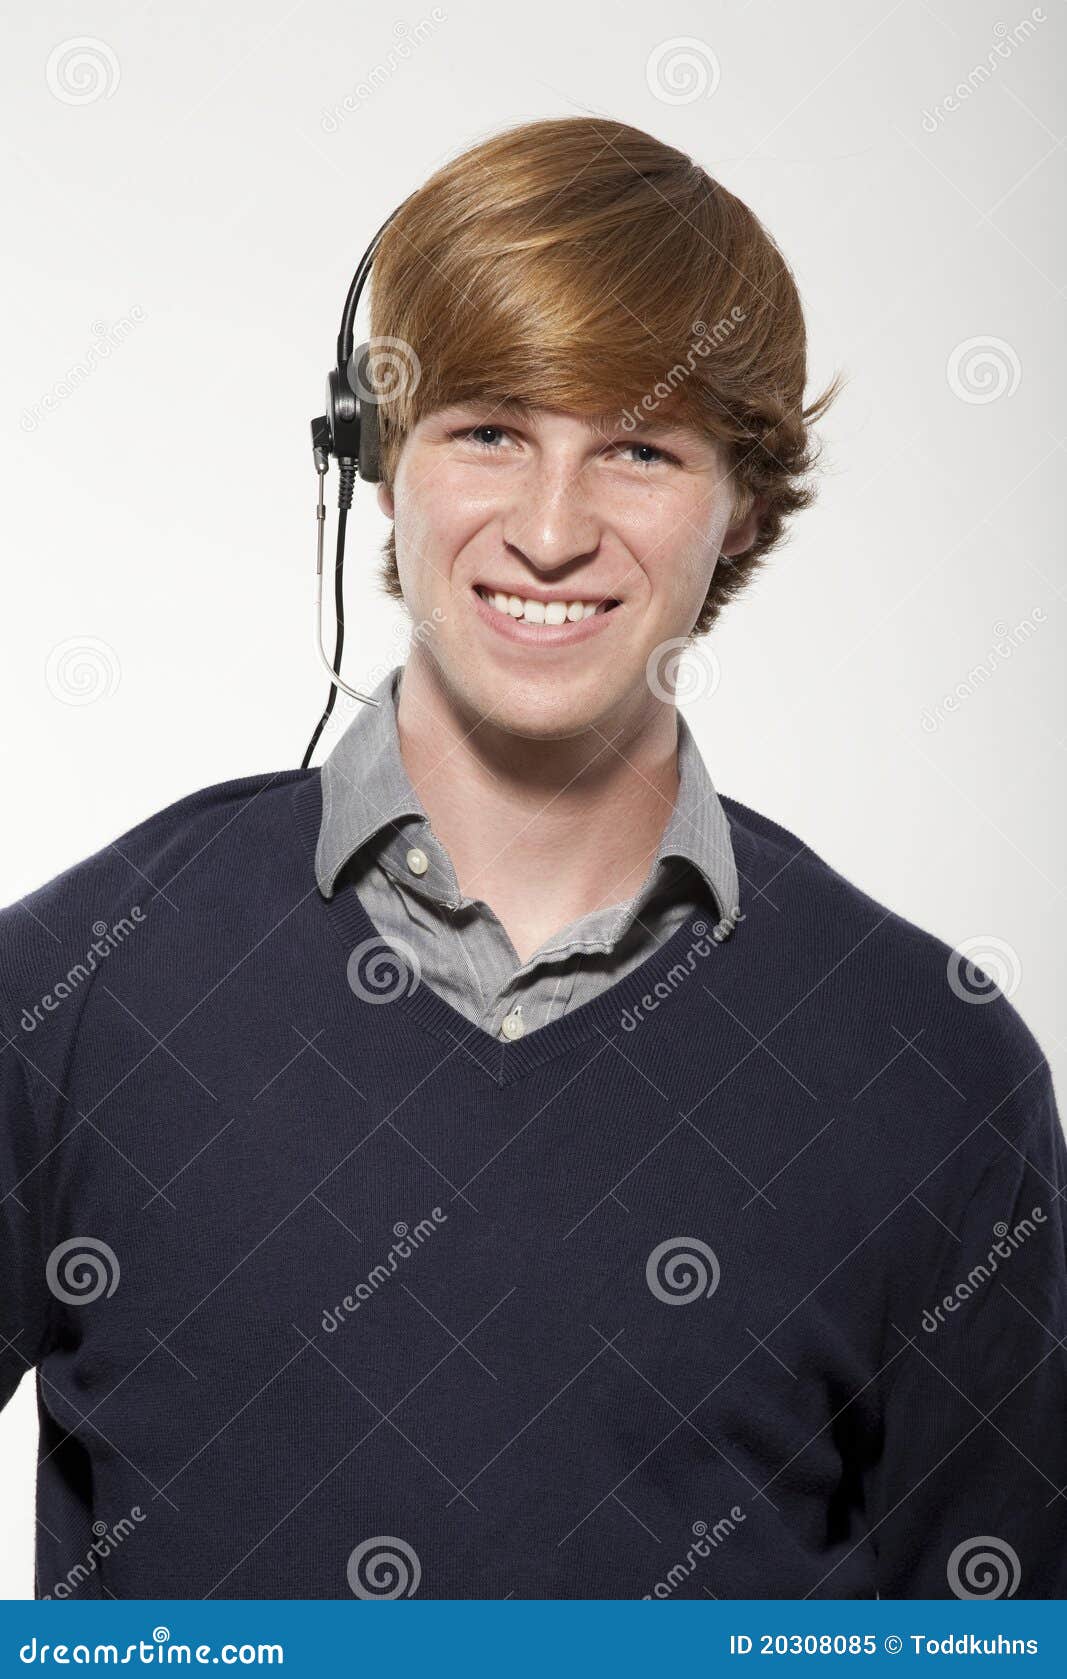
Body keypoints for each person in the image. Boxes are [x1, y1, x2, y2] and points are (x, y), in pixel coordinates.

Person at [1, 116, 1064, 1602]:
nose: (551, 529)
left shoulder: (938, 1064)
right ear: (377, 459)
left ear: (740, 501)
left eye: (639, 447)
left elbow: (997, 1640)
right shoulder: (76, 990)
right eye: (491, 428)